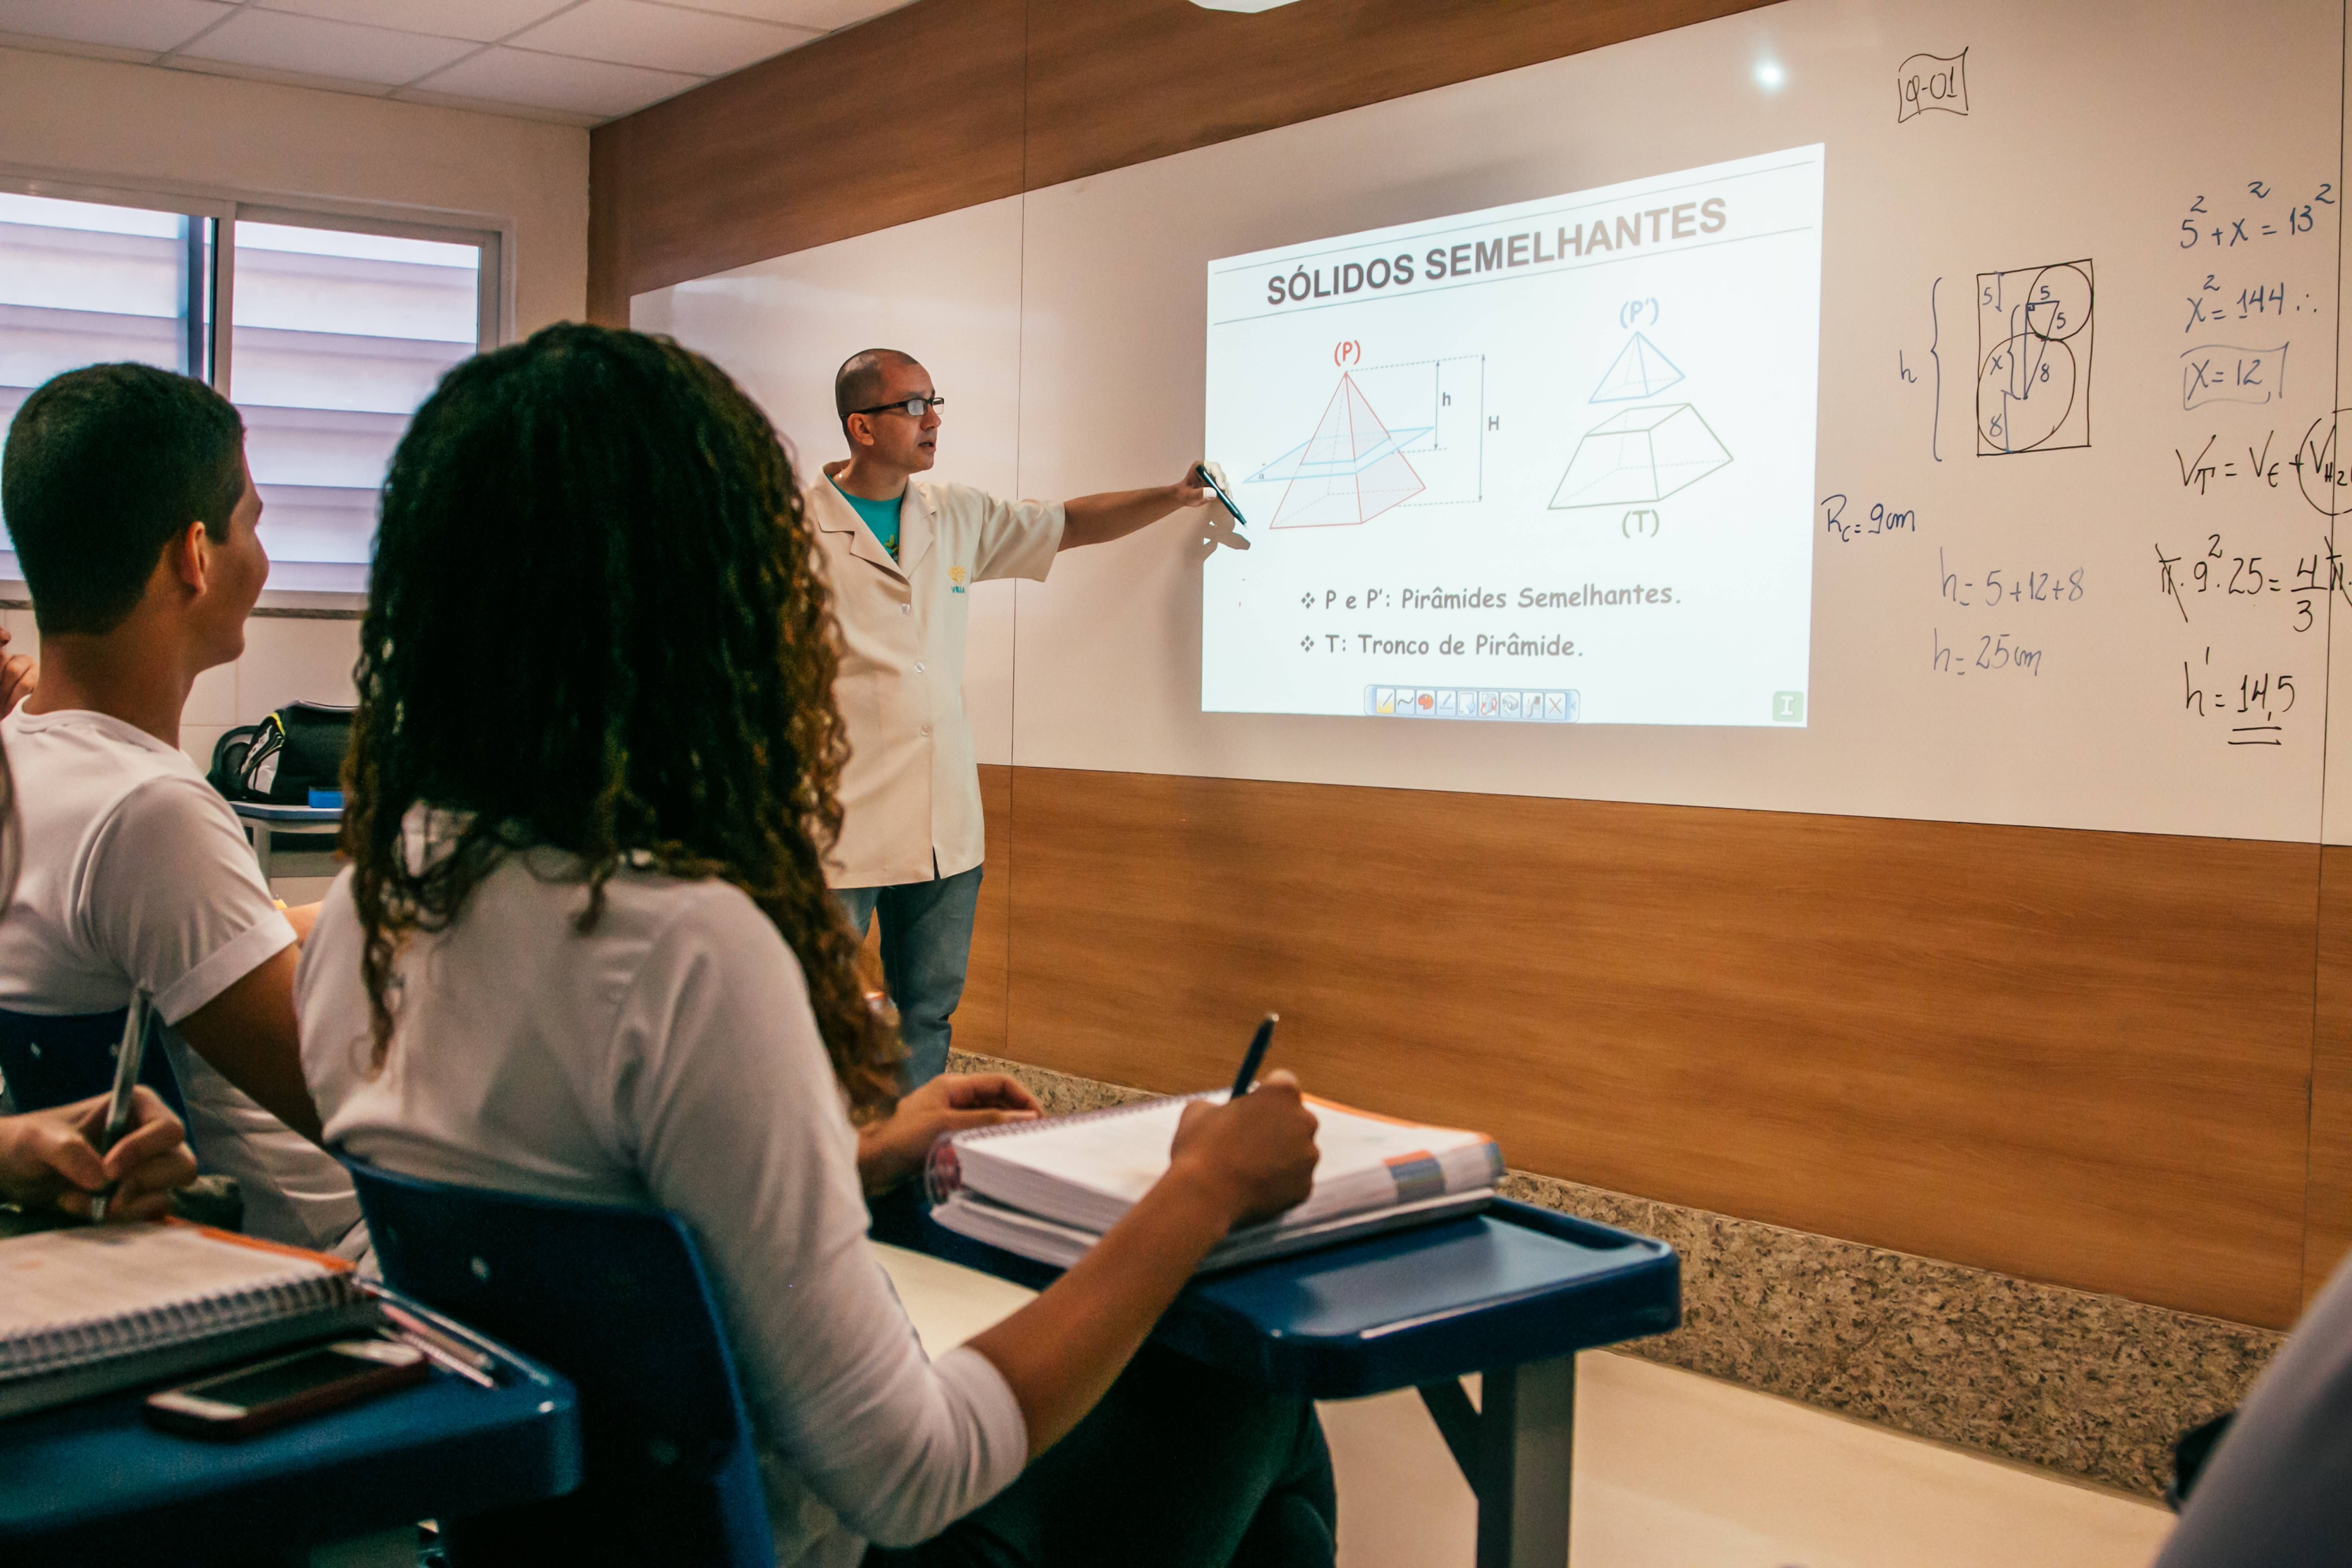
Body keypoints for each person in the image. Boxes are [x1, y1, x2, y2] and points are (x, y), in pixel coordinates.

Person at [298, 323, 1336, 1567]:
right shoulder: (686, 951)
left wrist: (860, 1155)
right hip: (796, 1539)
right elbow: (911, 1473)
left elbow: (604, 1248)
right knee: (1252, 1401)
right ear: (716, 591)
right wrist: (1200, 1191)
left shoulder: (365, 917)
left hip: (548, 1536)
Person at [0, 362, 360, 1252]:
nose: (262, 557)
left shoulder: (29, 764)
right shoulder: (151, 811)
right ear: (194, 555)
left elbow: (230, 926)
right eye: (252, 526)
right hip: (327, 1255)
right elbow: (370, 1118)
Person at [816, 348, 1215, 1085]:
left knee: (928, 1012)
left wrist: (1171, 496)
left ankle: (913, 1168)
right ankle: (827, 1176)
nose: (932, 419)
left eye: (934, 401)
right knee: (816, 1016)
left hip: (944, 821)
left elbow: (1065, 525)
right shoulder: (794, 529)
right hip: (841, 817)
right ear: (861, 428)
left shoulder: (954, 513)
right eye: (911, 406)